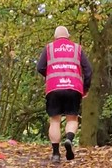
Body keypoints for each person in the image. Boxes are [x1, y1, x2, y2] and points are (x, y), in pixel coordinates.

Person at [35, 26, 92, 161]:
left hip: (54, 88)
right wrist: (85, 88)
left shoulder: (49, 48)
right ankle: (69, 140)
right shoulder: (77, 48)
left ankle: (55, 154)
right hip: (73, 88)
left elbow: (40, 67)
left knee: (54, 120)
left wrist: (50, 76)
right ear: (68, 36)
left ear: (55, 37)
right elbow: (88, 70)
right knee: (72, 118)